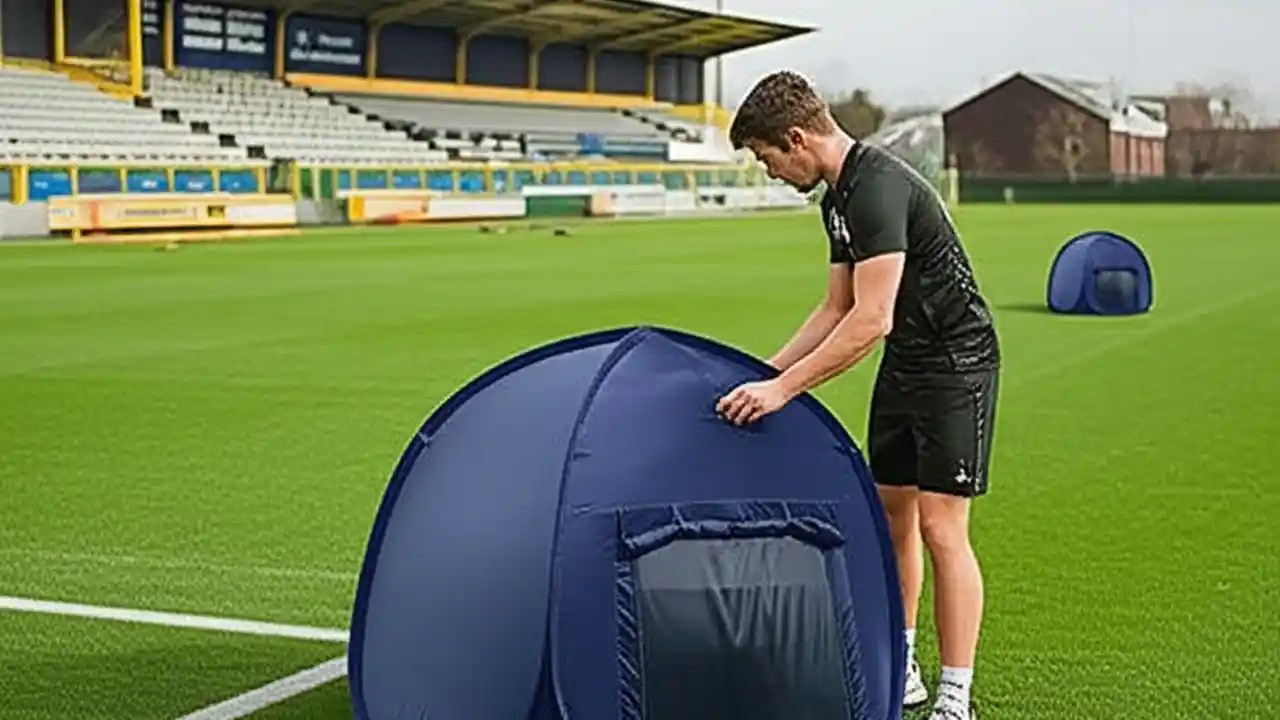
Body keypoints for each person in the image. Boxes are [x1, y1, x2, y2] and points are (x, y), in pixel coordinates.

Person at [715, 70, 1000, 720]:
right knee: (891, 511)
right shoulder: (835, 202)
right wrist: (760, 372)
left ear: (795, 138)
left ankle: (957, 699)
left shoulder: (876, 187)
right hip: (908, 361)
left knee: (940, 527)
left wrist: (784, 390)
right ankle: (901, 667)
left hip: (958, 361)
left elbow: (871, 320)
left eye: (766, 159)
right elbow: (834, 308)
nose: (769, 173)